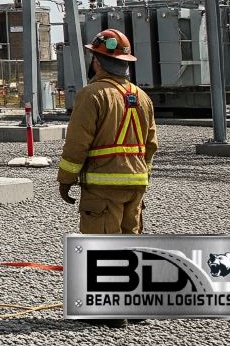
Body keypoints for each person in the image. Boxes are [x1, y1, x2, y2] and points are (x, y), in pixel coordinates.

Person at [58, 28, 158, 234]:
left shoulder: (92, 94)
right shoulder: (142, 97)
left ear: (97, 62)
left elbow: (77, 143)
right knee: (129, 251)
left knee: (104, 252)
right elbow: (151, 144)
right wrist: (141, 175)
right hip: (137, 185)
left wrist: (66, 179)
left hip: (102, 187)